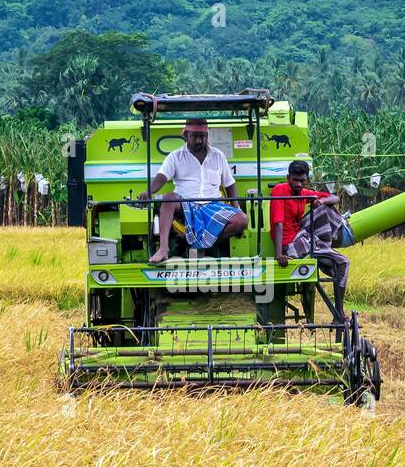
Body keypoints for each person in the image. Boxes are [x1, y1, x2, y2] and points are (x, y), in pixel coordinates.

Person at [139, 118, 248, 264]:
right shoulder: (175, 156)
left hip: (213, 206)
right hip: (185, 205)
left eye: (202, 137)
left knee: (242, 220)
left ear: (207, 136)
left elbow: (230, 184)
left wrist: (236, 208)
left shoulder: (218, 155)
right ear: (186, 135)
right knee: (169, 197)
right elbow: (162, 177)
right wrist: (149, 191)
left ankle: (201, 242)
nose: (198, 141)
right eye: (194, 136)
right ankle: (163, 249)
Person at [270, 159, 350, 318]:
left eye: (302, 180)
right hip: (289, 244)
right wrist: (279, 254)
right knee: (343, 262)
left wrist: (321, 200)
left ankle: (338, 312)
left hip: (301, 236)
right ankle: (339, 313)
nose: (299, 184)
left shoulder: (304, 193)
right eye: (295, 180)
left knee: (323, 207)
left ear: (306, 180)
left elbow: (334, 198)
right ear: (288, 178)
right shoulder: (280, 190)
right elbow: (277, 224)